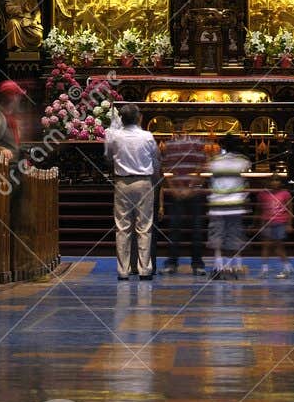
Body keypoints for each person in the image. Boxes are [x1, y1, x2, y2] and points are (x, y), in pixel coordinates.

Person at [103, 105, 160, 281]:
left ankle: (123, 270)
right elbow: (156, 160)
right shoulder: (147, 136)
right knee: (144, 227)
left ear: (122, 119)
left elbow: (107, 157)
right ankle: (144, 269)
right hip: (144, 182)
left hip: (122, 182)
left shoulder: (115, 136)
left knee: (122, 228)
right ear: (138, 118)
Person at [161, 132, 208, 274]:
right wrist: (175, 188)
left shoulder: (198, 144)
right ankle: (173, 262)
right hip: (179, 192)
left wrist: (191, 186)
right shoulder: (170, 146)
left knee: (196, 229)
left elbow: (203, 167)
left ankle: (197, 263)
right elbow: (166, 168)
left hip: (192, 193)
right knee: (176, 228)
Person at [207, 135, 251, 278]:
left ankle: (218, 265)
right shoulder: (242, 160)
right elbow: (247, 166)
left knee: (218, 235)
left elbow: (209, 171)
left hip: (218, 204)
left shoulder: (215, 161)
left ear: (222, 146)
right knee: (233, 234)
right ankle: (234, 266)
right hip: (236, 204)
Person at [256, 166, 294, 278]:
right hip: (267, 222)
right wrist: (257, 223)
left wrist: (289, 224)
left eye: (277, 180)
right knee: (266, 246)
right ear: (268, 182)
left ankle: (287, 268)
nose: (274, 182)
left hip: (280, 222)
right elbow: (259, 209)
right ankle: (264, 269)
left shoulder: (285, 194)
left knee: (279, 246)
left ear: (281, 182)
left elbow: (290, 209)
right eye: (272, 180)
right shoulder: (263, 194)